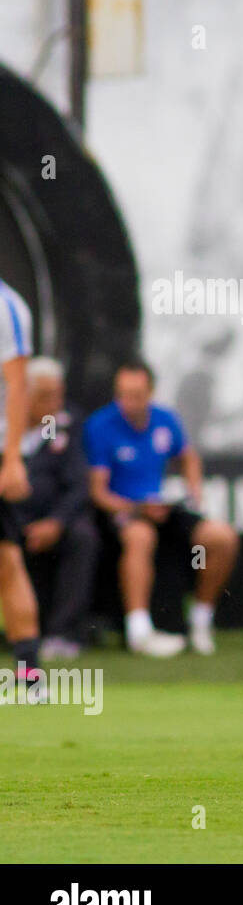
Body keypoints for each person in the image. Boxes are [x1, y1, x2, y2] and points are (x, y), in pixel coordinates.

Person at [84, 360, 239, 656]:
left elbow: (188, 457)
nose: (128, 402)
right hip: (123, 511)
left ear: (151, 392)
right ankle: (139, 630)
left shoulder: (166, 420)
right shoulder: (100, 426)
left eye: (136, 395)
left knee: (221, 537)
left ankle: (201, 621)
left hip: (163, 508)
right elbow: (99, 493)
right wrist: (136, 508)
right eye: (123, 394)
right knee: (140, 537)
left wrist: (193, 490)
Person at [15, 357, 99, 659]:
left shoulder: (68, 424)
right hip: (12, 518)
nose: (55, 403)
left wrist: (56, 522)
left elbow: (79, 484)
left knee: (83, 536)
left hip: (56, 519)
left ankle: (63, 633)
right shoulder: (6, 425)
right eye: (46, 396)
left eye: (58, 394)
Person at [0, 276, 42, 697]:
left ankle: (30, 675)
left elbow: (18, 383)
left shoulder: (6, 306)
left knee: (7, 561)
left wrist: (13, 458)